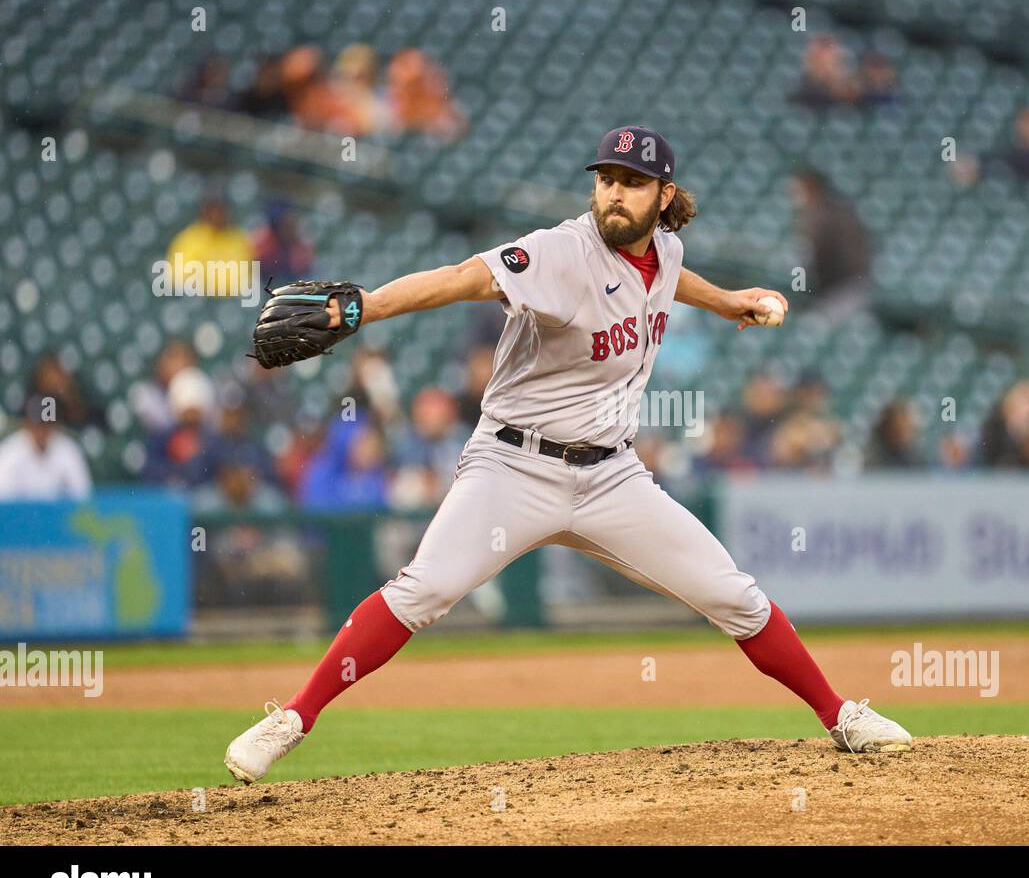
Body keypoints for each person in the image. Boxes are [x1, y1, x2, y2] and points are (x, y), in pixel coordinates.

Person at [225, 125, 913, 783]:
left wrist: (730, 300)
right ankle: (291, 719)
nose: (615, 192)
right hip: (513, 466)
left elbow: (671, 276)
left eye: (633, 183)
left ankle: (840, 715)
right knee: (425, 589)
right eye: (607, 179)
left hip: (611, 477)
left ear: (664, 197)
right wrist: (366, 308)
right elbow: (467, 276)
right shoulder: (558, 253)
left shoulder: (664, 253)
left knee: (730, 592)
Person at [790, 169, 872, 315]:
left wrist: (799, 289)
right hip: (850, 286)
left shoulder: (821, 216)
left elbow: (806, 258)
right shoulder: (837, 211)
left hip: (841, 289)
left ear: (812, 188)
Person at [164, 189, 254, 297]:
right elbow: (178, 279)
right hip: (196, 301)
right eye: (213, 208)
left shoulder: (239, 240)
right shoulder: (189, 240)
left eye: (220, 209)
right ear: (205, 210)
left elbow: (243, 281)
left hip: (230, 301)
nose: (217, 214)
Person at [0, 396, 93, 501]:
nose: (41, 431)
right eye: (37, 425)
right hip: (19, 516)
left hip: (59, 516)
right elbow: (3, 500)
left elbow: (82, 495)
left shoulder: (68, 450)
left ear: (55, 425)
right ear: (27, 424)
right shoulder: (9, 452)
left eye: (46, 425)